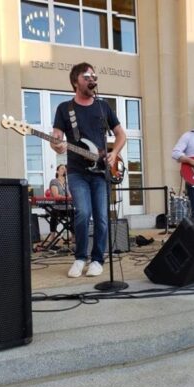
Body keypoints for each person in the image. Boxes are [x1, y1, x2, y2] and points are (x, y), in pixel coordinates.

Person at [50, 62, 126, 278]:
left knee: (102, 217)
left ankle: (97, 259)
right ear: (76, 82)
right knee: (83, 213)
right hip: (77, 172)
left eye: (94, 75)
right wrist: (57, 143)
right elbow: (55, 138)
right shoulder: (65, 109)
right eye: (86, 76)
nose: (92, 78)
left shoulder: (103, 107)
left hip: (101, 172)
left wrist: (114, 153)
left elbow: (121, 135)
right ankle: (80, 257)